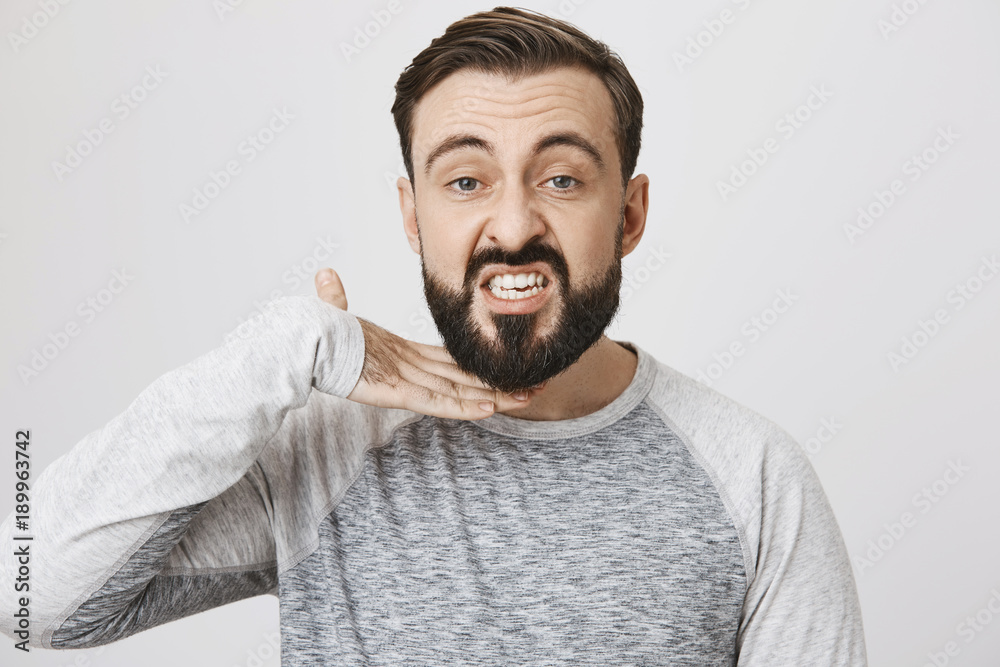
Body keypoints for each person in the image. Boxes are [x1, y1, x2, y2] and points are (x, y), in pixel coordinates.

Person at [1, 6, 867, 664]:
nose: (513, 224)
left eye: (562, 177)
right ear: (413, 218)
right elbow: (24, 592)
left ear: (630, 214)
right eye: (465, 180)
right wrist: (273, 354)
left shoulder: (754, 477)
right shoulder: (322, 451)